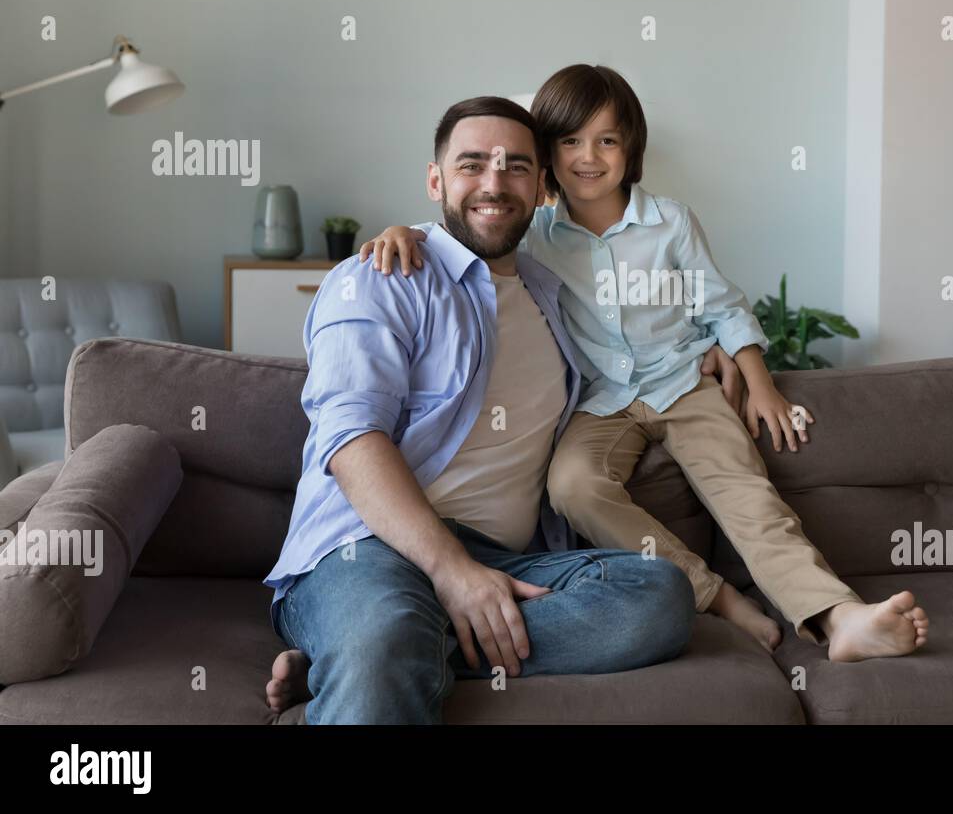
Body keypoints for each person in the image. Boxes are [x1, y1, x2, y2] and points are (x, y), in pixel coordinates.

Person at [361, 65, 930, 661]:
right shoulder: (537, 234)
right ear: (549, 156)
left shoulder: (672, 223)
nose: (589, 156)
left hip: (684, 384)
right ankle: (710, 594)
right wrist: (403, 230)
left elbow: (723, 307)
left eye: (607, 140)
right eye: (571, 141)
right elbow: (479, 221)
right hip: (601, 400)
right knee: (573, 486)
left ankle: (837, 617)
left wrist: (760, 386)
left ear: (631, 149)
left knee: (747, 494)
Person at [261, 95, 746, 723]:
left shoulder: (553, 294)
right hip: (369, 548)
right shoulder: (383, 278)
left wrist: (711, 355)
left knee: (658, 594)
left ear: (542, 185)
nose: (494, 184)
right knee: (383, 631)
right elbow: (352, 440)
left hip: (511, 560)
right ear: (435, 180)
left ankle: (376, 655)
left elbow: (638, 347)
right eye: (471, 165)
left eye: (516, 166)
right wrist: (453, 572)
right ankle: (377, 647)